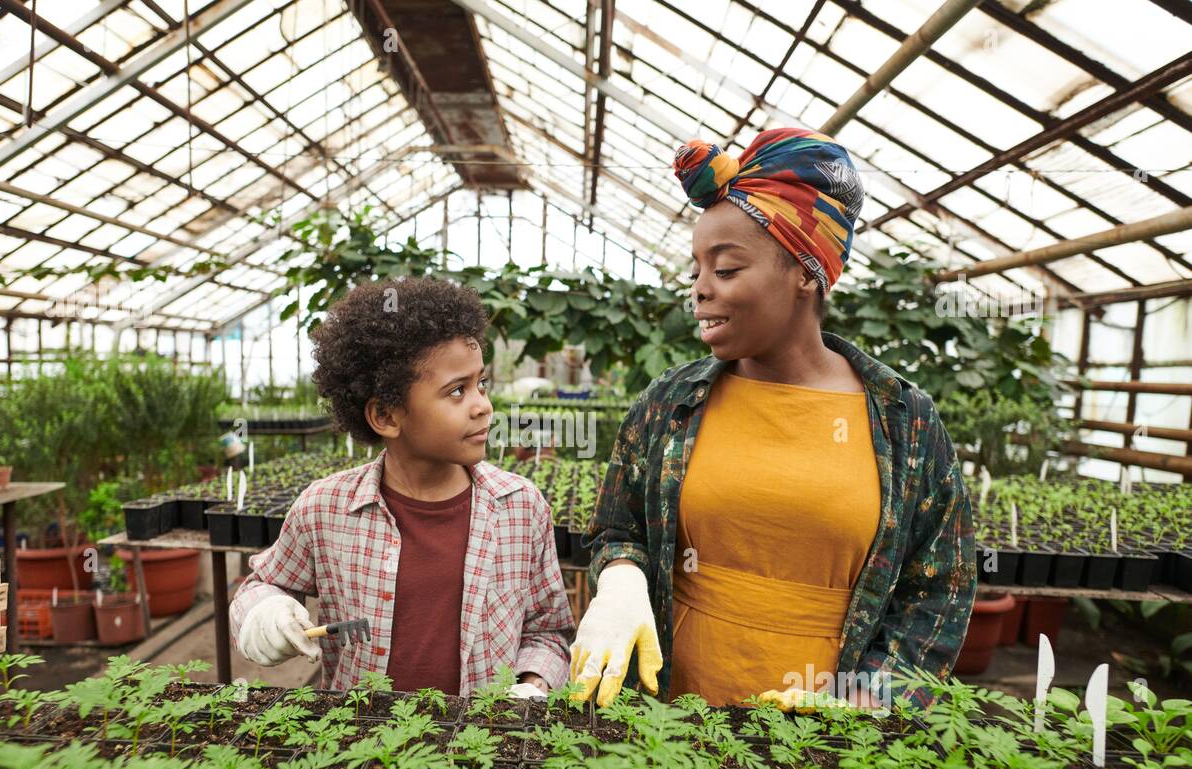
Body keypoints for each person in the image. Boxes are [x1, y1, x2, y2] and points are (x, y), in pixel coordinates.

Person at [570, 128, 976, 711]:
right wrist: (621, 580)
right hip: (666, 728)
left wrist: (871, 699)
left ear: (807, 274)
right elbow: (619, 529)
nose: (700, 291)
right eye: (696, 270)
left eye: (727, 270)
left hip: (826, 745)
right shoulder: (670, 403)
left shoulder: (903, 421)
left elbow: (939, 587)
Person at [229, 277, 573, 699]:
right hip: (360, 746)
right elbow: (263, 584)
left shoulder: (521, 508)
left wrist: (533, 683)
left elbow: (549, 630)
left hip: (483, 749)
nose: (483, 404)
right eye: (456, 391)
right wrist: (263, 612)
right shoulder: (324, 509)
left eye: (481, 384)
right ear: (387, 416)